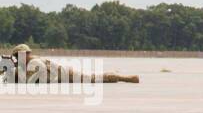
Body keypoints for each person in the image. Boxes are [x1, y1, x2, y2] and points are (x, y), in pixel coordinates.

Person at [5, 45, 140, 83]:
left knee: (95, 78)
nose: (17, 59)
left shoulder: (34, 62)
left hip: (68, 74)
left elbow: (30, 80)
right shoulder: (29, 62)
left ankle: (125, 78)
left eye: (17, 56)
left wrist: (12, 73)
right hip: (64, 74)